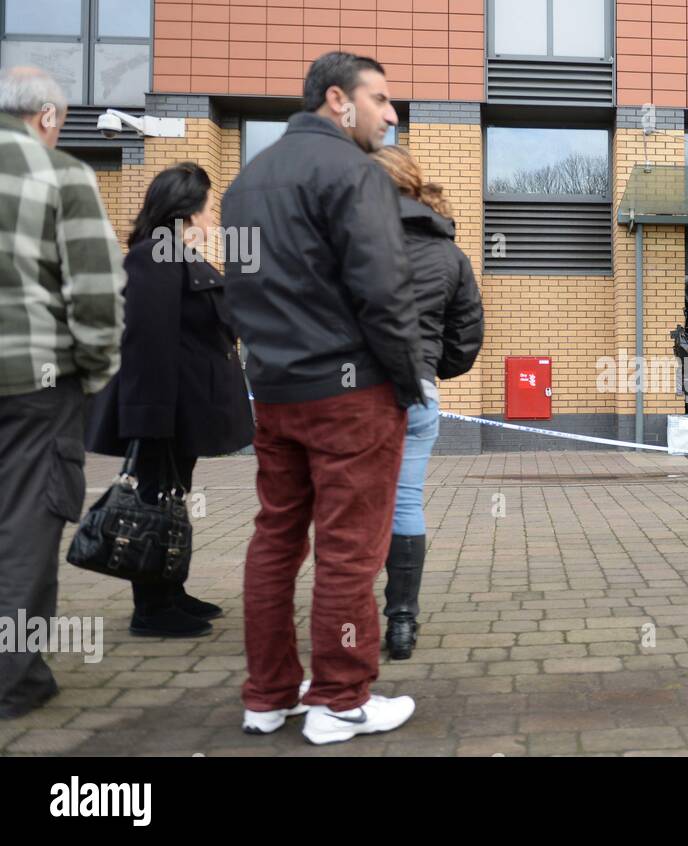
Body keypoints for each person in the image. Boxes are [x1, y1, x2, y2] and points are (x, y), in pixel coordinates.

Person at [222, 52, 424, 744]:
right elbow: (385, 293)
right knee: (347, 549)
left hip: (275, 393)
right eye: (381, 100)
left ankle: (267, 696)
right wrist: (407, 380)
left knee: (275, 539)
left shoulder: (244, 184)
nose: (391, 115)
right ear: (337, 100)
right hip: (350, 396)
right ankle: (338, 700)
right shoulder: (353, 174)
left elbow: (239, 294)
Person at [0, 67, 125, 718]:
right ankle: (11, 678)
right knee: (24, 522)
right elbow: (96, 290)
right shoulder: (61, 174)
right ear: (47, 116)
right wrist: (96, 371)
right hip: (32, 381)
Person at [86, 162, 254, 638]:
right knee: (152, 501)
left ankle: (171, 590)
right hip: (162, 412)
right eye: (207, 208)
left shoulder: (176, 255)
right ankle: (151, 609)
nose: (211, 219)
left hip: (183, 411)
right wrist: (149, 421)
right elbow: (146, 343)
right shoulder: (153, 258)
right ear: (186, 211)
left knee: (170, 500)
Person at [369, 146, 483, 659]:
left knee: (346, 507)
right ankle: (402, 622)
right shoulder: (448, 253)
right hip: (417, 392)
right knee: (406, 502)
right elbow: (467, 335)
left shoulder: (349, 242)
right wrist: (434, 371)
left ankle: (343, 623)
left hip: (352, 394)